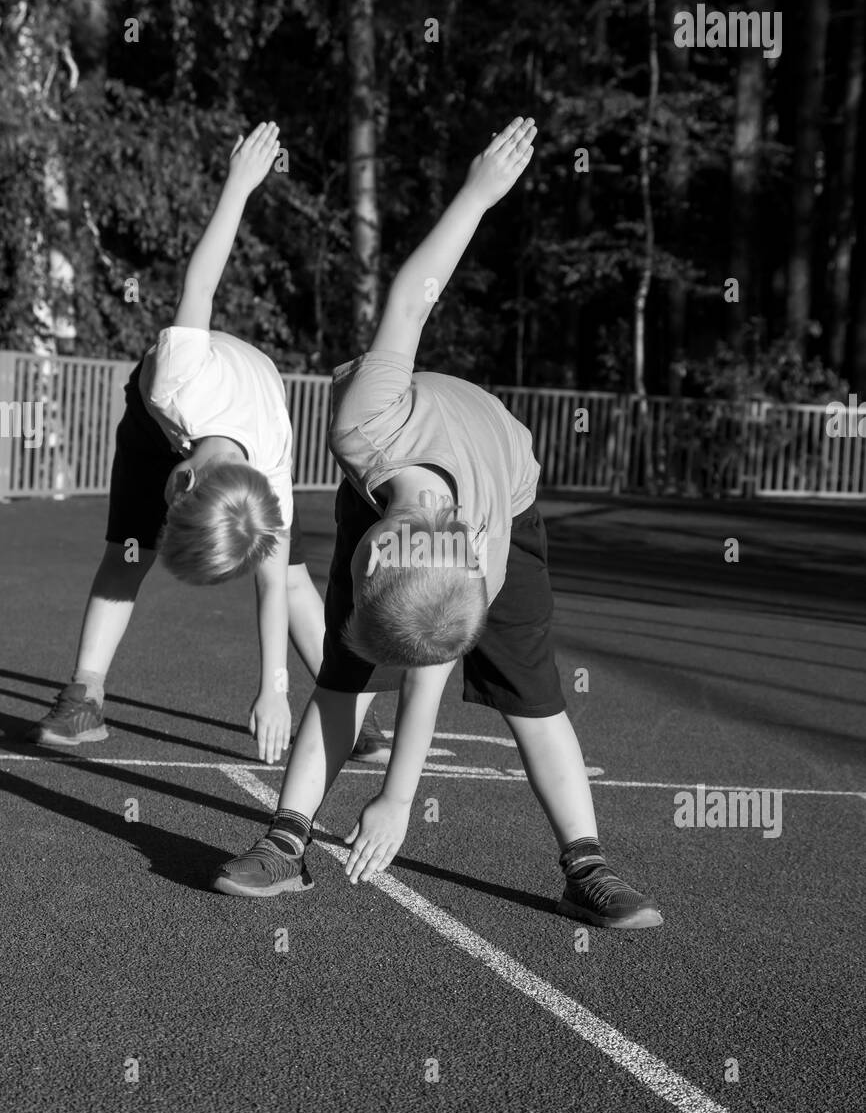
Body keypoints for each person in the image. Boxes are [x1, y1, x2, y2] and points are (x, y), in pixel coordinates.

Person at [214, 117, 661, 928]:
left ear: (377, 559)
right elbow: (413, 296)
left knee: (536, 697)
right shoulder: (363, 420)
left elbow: (431, 655)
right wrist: (478, 193)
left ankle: (586, 864)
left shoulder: (481, 560)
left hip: (508, 493)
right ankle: (285, 842)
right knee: (344, 675)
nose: (336, 585)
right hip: (407, 457)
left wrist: (397, 796)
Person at [26, 123, 388, 766]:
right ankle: (84, 696)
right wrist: (238, 186)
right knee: (128, 550)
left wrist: (274, 689)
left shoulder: (272, 463)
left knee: (295, 578)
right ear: (181, 481)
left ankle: (350, 707)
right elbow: (201, 285)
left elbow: (271, 585)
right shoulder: (177, 380)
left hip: (244, 411)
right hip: (158, 414)